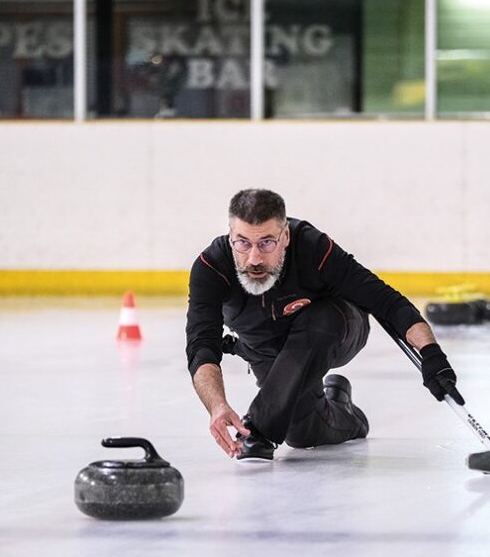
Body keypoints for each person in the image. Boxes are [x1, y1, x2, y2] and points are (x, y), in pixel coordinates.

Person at [186, 189, 464, 461]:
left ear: (285, 236)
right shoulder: (211, 267)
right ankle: (342, 406)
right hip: (267, 349)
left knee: (320, 322)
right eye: (243, 243)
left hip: (337, 327)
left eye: (267, 243)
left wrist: (431, 354)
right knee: (301, 433)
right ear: (230, 234)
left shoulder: (312, 248)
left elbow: (387, 302)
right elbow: (201, 345)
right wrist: (217, 405)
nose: (254, 258)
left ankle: (258, 429)